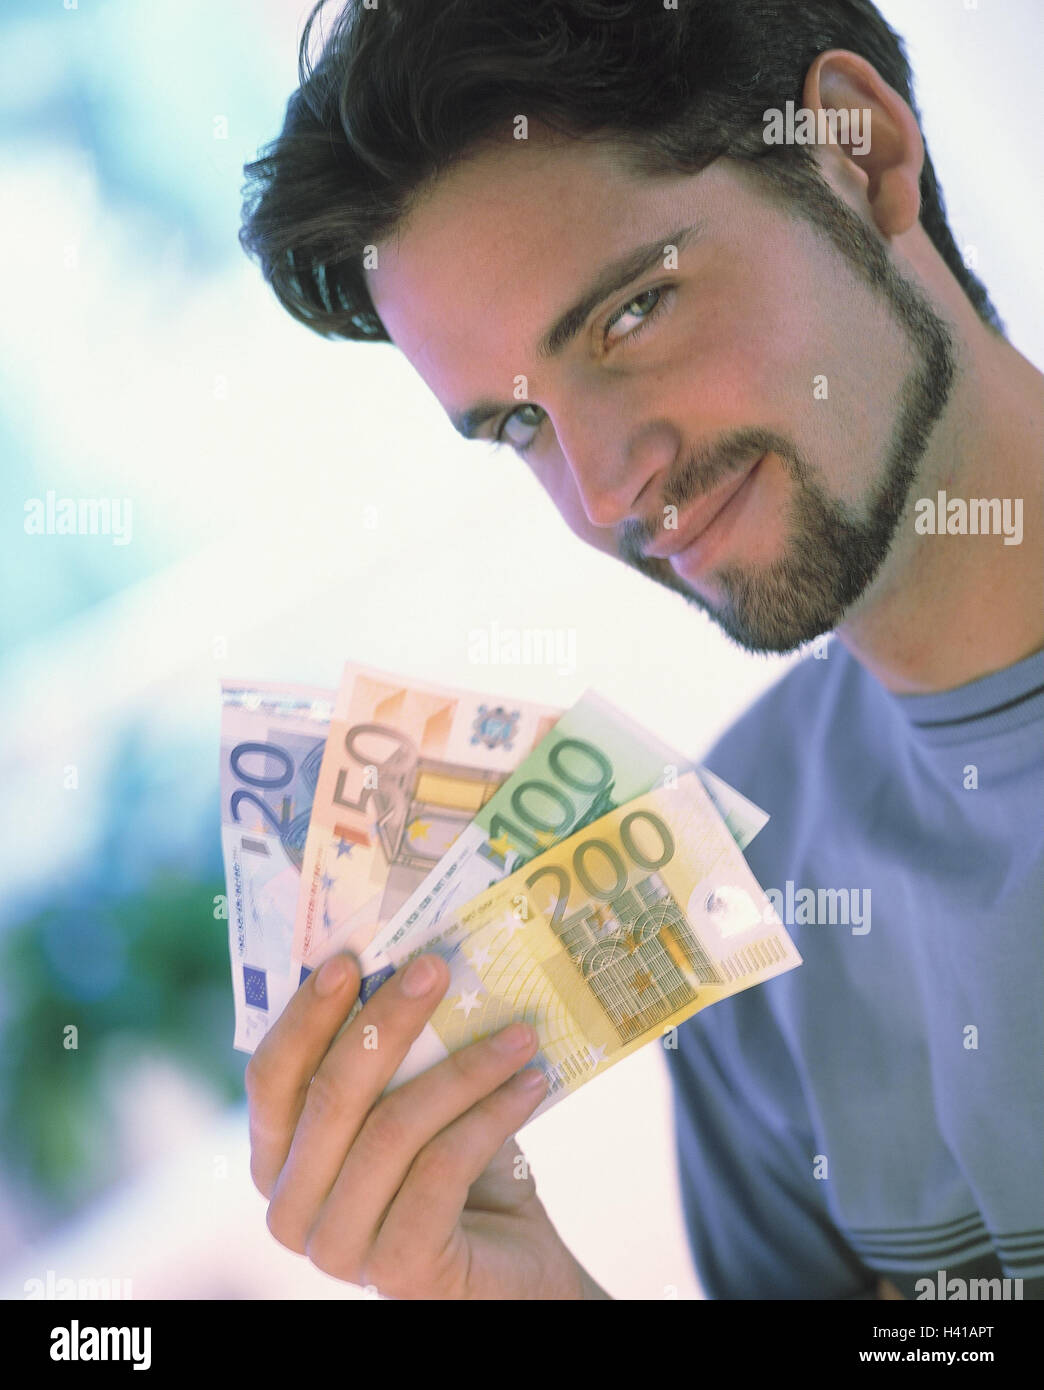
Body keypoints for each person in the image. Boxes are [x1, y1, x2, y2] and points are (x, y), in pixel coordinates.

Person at [238, 0, 1043, 1299]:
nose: (606, 489)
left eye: (631, 312)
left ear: (860, 152)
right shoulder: (741, 895)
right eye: (516, 424)